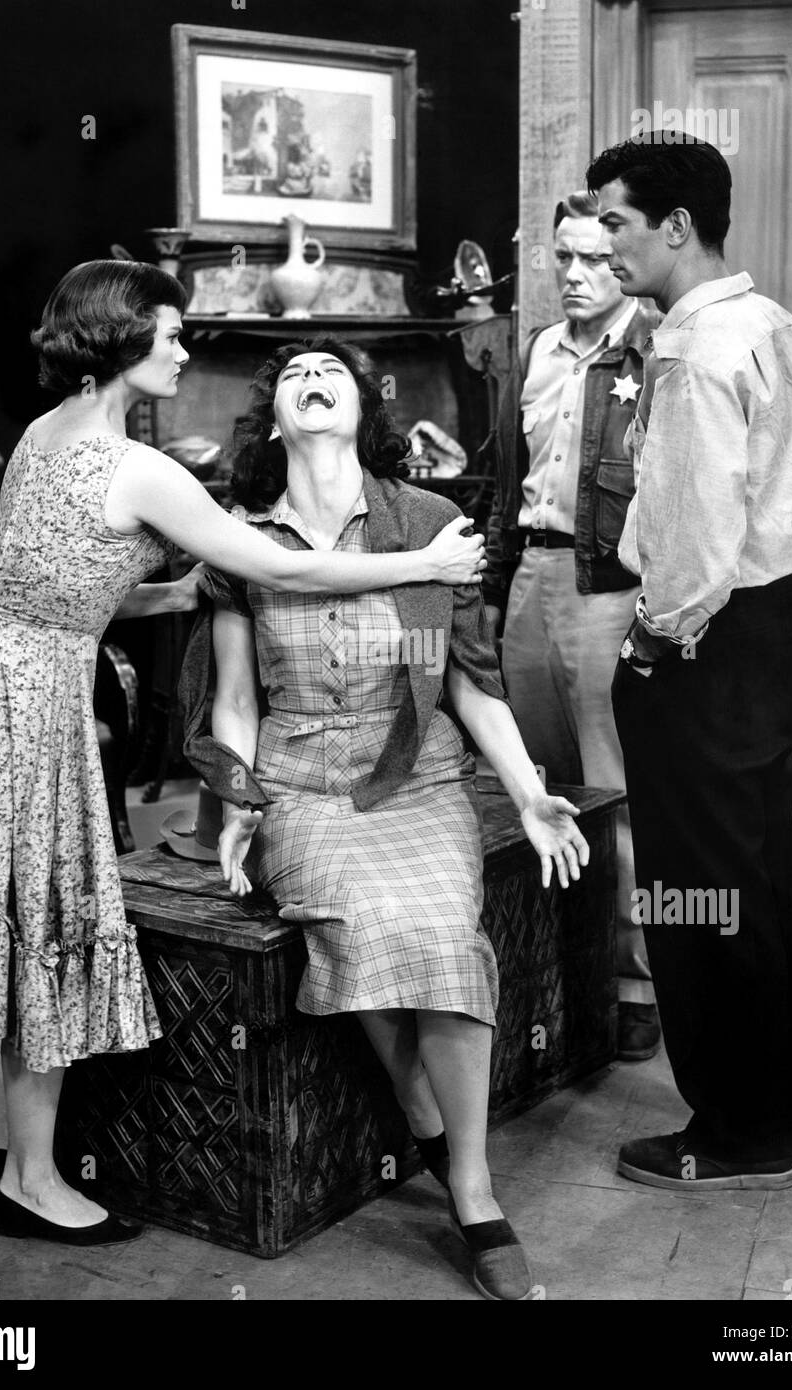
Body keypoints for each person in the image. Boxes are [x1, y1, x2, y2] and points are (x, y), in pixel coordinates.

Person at [0, 261, 485, 1247]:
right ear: (124, 340)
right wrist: (423, 561)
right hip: (25, 705)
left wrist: (181, 592)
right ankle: (33, 1180)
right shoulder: (142, 469)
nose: (181, 348)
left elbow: (61, 577)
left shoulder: (47, 434)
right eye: (168, 333)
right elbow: (285, 564)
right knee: (52, 925)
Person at [197, 337, 590, 1300]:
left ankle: (471, 1187)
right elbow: (235, 699)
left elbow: (469, 681)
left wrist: (529, 787)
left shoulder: (428, 522)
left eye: (330, 370)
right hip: (300, 783)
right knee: (364, 923)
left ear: (363, 410)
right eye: (292, 375)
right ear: (275, 417)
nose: (312, 379)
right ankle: (421, 1109)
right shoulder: (241, 535)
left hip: (412, 777)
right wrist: (240, 797)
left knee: (443, 937)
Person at [584, 135, 792, 1189]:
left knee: (698, 889)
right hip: (773, 615)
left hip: (702, 636)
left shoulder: (693, 351)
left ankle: (739, 1127)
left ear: (673, 227)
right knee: (761, 869)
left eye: (614, 222)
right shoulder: (777, 325)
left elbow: (694, 541)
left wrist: (652, 641)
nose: (603, 243)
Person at [484, 190, 662, 1062]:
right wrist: (490, 587)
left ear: (623, 261)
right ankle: (552, 968)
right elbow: (503, 483)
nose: (577, 274)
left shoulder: (654, 352)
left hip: (611, 586)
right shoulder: (536, 353)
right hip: (532, 574)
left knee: (612, 788)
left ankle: (630, 984)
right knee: (541, 781)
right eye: (564, 257)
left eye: (595, 257)